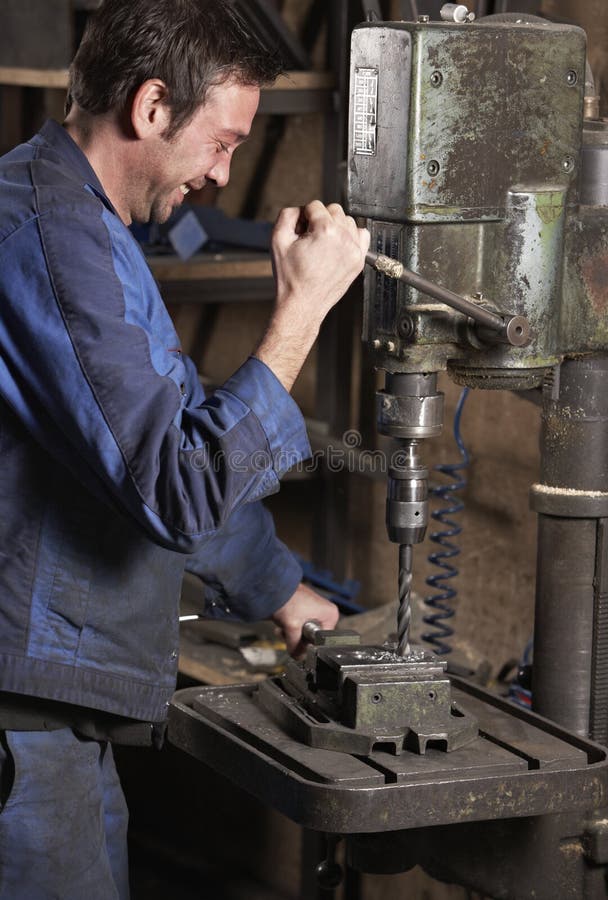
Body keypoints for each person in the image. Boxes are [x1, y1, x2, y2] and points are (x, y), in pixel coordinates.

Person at [0, 0, 369, 897]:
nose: (222, 174)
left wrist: (282, 590)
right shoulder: (52, 239)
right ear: (153, 107)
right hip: (21, 725)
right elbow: (176, 486)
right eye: (223, 142)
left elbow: (151, 451)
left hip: (62, 714)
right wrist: (302, 311)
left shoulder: (91, 230)